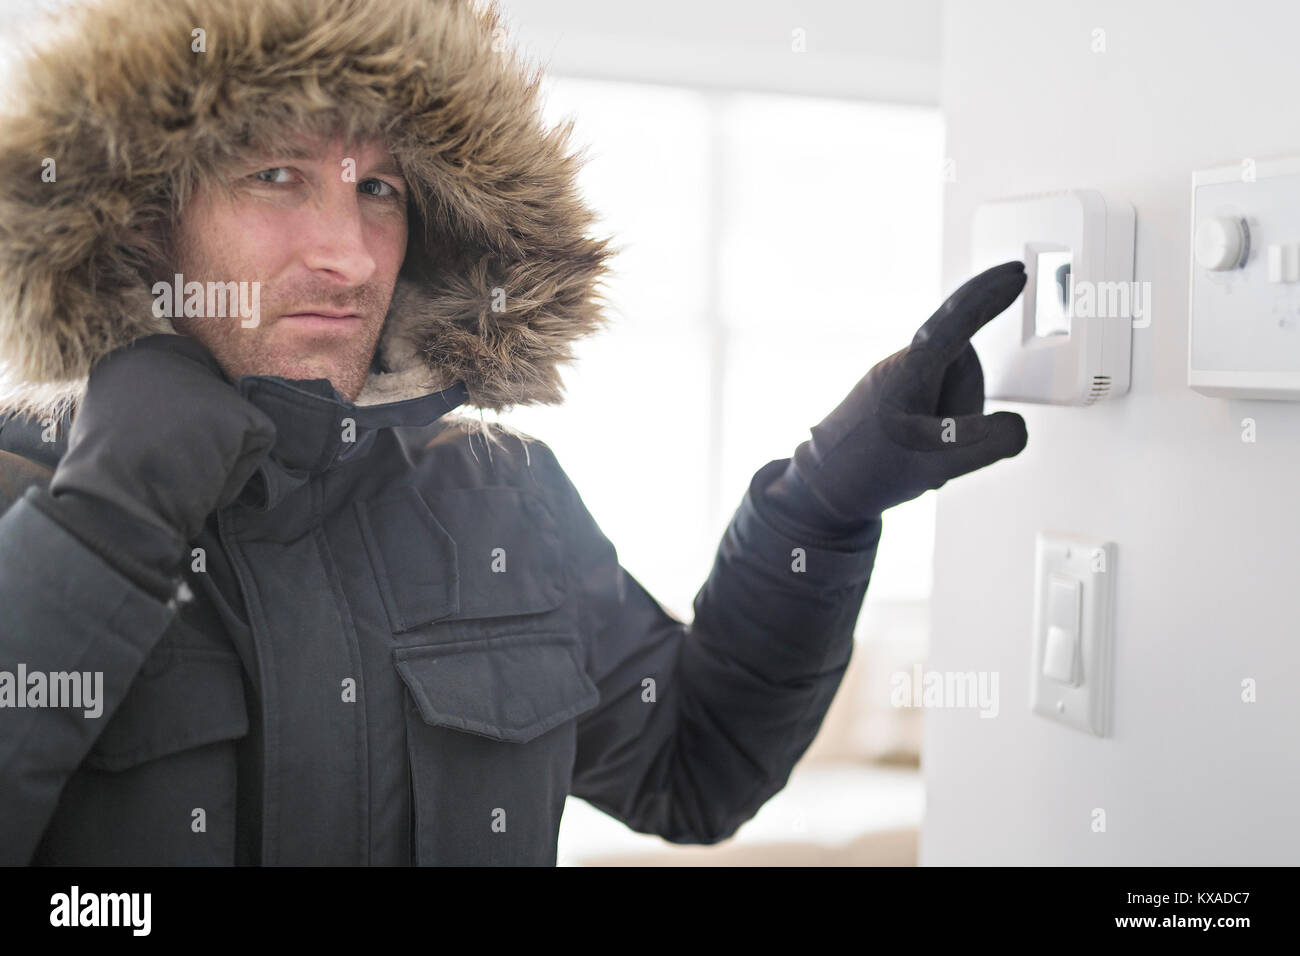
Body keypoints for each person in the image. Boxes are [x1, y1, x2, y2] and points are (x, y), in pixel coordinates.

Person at [0, 0, 1028, 866]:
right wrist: (107, 518)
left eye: (378, 189)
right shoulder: (21, 491)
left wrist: (819, 510)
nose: (350, 254)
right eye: (275, 174)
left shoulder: (501, 497)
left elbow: (694, 764)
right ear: (143, 214)